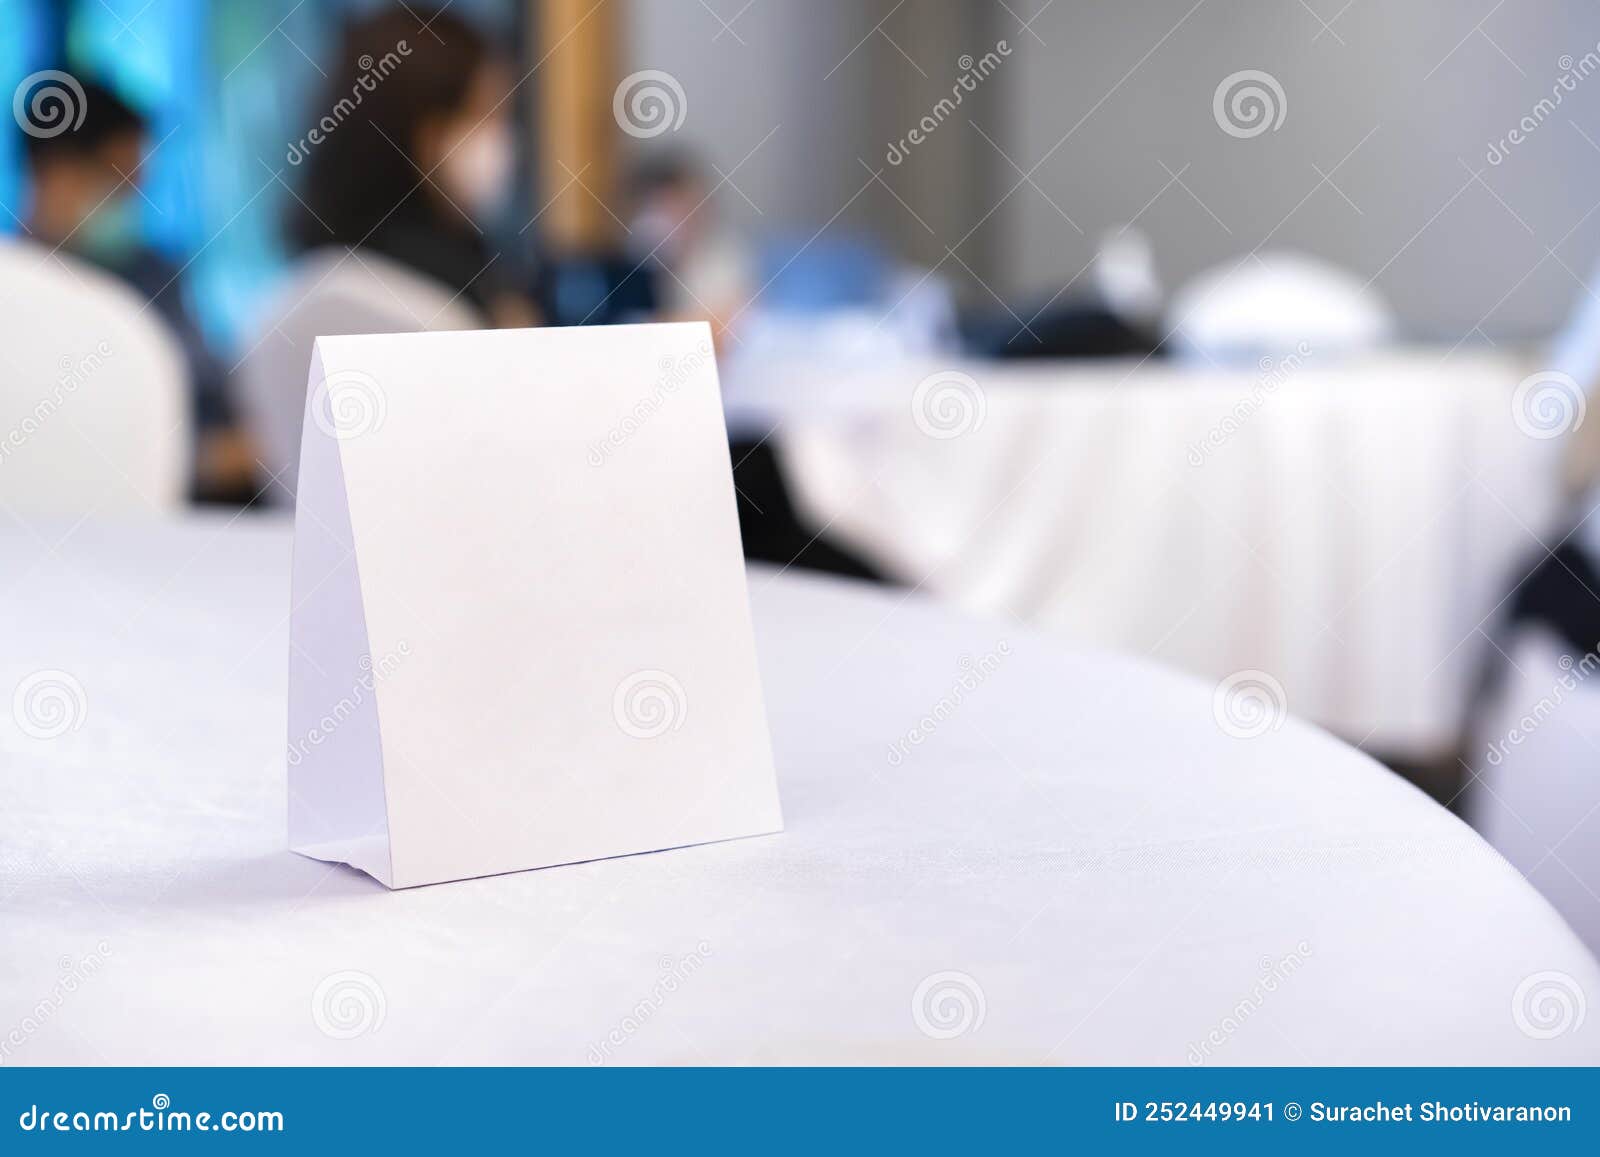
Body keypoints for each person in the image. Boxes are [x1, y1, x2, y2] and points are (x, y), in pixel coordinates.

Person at [20, 79, 248, 500]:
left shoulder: (154, 276)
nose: (128, 201)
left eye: (136, 186)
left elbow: (220, 410)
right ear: (53, 173)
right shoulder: (15, 294)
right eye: (114, 184)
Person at [288, 8, 538, 329]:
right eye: (486, 114)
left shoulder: (290, 297)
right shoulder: (446, 308)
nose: (503, 141)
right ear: (423, 134)